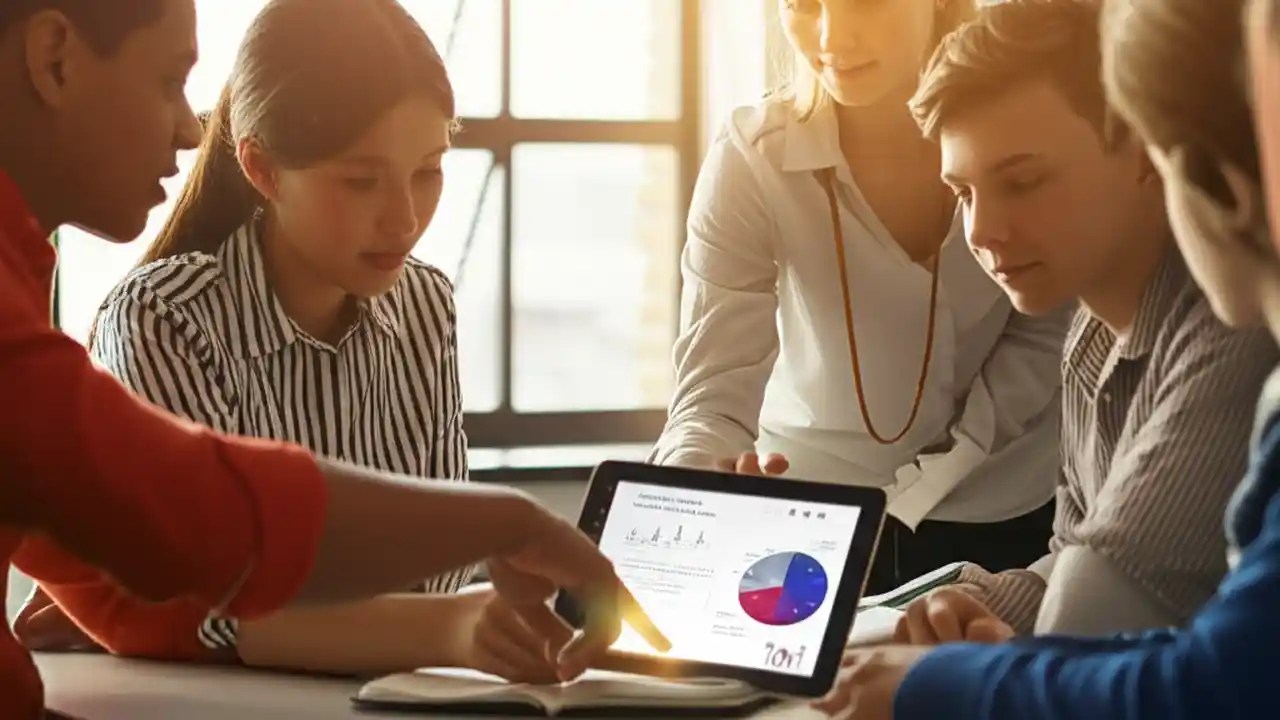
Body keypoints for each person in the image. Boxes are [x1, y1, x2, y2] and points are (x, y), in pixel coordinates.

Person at [0, 2, 667, 717]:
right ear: (55, 59)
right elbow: (203, 538)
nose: (193, 129)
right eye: (169, 81)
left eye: (429, 171)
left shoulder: (422, 304)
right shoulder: (150, 318)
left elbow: (147, 564)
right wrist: (500, 536)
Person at [814, 0, 1280, 716]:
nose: (981, 232)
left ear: (1144, 151)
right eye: (962, 193)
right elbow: (1073, 560)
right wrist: (980, 604)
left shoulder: (1231, 328)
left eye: (1024, 182)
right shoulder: (1090, 336)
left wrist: (943, 681)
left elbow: (1092, 620)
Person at [651, 0, 1069, 593]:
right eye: (802, 4)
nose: (832, 36)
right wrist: (687, 502)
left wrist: (925, 483)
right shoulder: (753, 155)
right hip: (811, 515)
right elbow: (711, 393)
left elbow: (1049, 328)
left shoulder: (1025, 133)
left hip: (1000, 510)